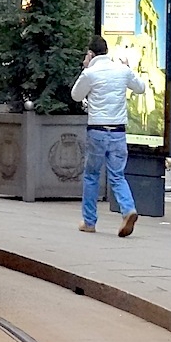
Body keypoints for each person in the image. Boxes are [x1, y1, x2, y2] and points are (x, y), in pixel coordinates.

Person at [71, 35, 147, 237]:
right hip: (118, 132)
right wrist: (128, 69)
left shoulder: (90, 73)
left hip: (97, 131)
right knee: (117, 175)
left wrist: (86, 68)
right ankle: (128, 209)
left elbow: (76, 95)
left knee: (91, 175)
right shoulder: (122, 70)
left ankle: (89, 221)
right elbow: (141, 88)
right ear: (107, 52)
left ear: (91, 53)